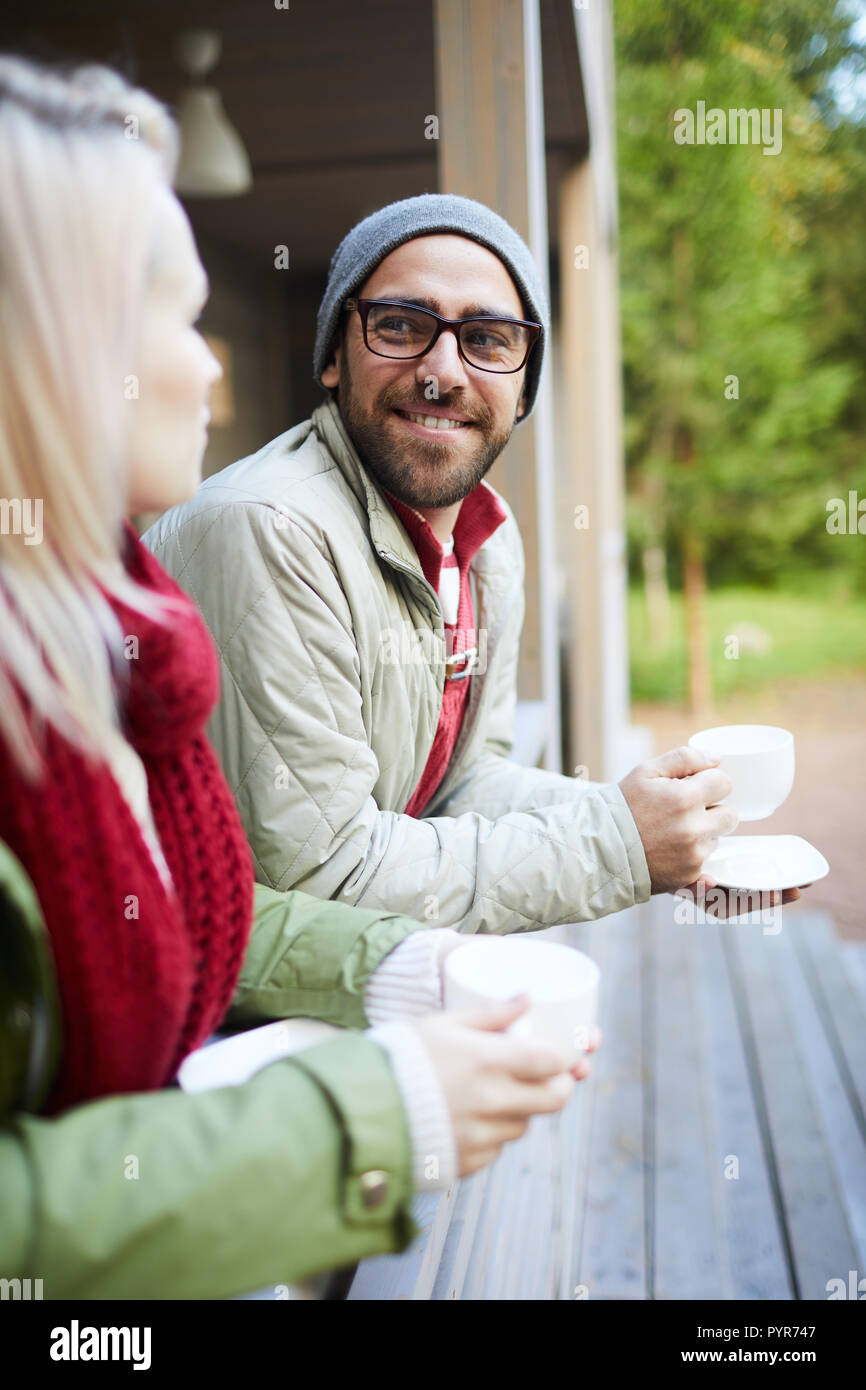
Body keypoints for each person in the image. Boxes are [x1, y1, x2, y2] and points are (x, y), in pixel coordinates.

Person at [0, 55, 592, 1301]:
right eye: (171, 312)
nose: (211, 365)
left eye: (488, 339)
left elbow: (205, 907)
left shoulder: (107, 649)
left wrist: (404, 969)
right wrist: (380, 1113)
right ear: (45, 344)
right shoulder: (246, 539)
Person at [145, 197, 805, 928]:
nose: (442, 372)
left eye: (488, 339)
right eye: (400, 325)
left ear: (523, 388)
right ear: (333, 356)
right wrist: (618, 845)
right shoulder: (268, 529)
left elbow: (462, 787)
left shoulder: (487, 542)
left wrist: (651, 823)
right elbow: (319, 875)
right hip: (199, 1018)